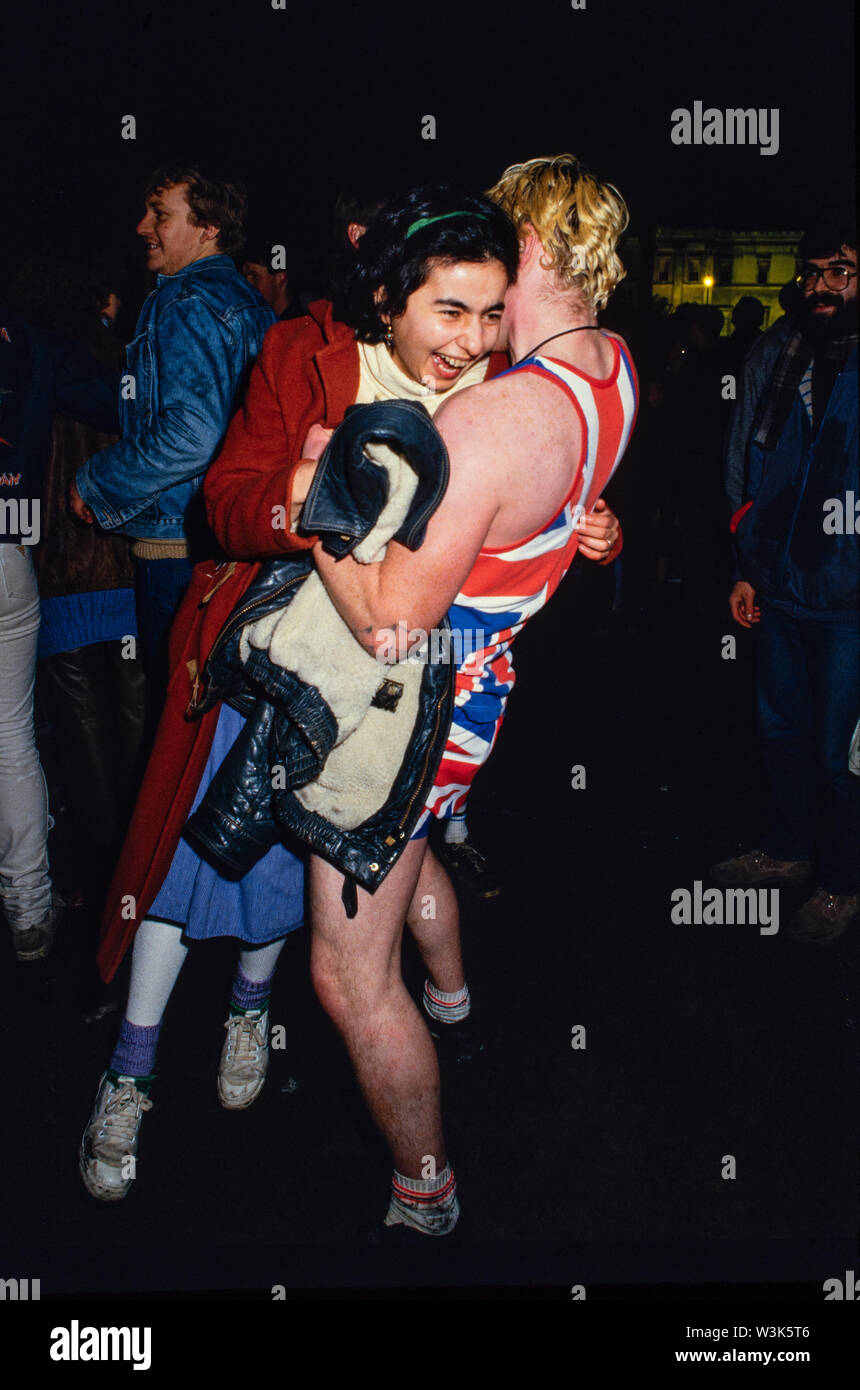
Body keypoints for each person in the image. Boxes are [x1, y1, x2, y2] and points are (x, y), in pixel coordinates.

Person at [213, 156, 636, 1239]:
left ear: (528, 251)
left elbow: (391, 624)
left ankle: (425, 1188)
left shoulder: (494, 421)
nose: (472, 325)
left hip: (412, 711)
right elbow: (563, 493)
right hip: (484, 687)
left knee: (349, 977)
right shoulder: (609, 366)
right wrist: (586, 526)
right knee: (418, 862)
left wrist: (315, 514)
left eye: (491, 290)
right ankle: (448, 1003)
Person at [70, 163, 275, 727]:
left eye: (160, 214)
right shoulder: (247, 302)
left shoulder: (183, 301)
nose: (142, 226)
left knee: (177, 723)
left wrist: (95, 480)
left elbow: (190, 434)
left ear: (208, 227)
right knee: (216, 724)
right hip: (229, 543)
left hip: (176, 552)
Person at [713, 209, 858, 944]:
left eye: (840, 271)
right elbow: (746, 462)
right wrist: (746, 565)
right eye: (812, 273)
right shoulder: (778, 351)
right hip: (779, 586)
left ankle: (841, 882)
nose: (821, 287)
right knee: (781, 732)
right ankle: (787, 850)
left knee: (842, 754)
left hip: (850, 603)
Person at [0, 300, 119, 961]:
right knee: (12, 741)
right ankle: (29, 906)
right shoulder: (33, 341)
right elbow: (121, 402)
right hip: (7, 550)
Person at [242, 239, 305, 321]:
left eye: (255, 276)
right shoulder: (255, 320)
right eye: (244, 277)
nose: (245, 285)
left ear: (281, 278)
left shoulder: (299, 328)